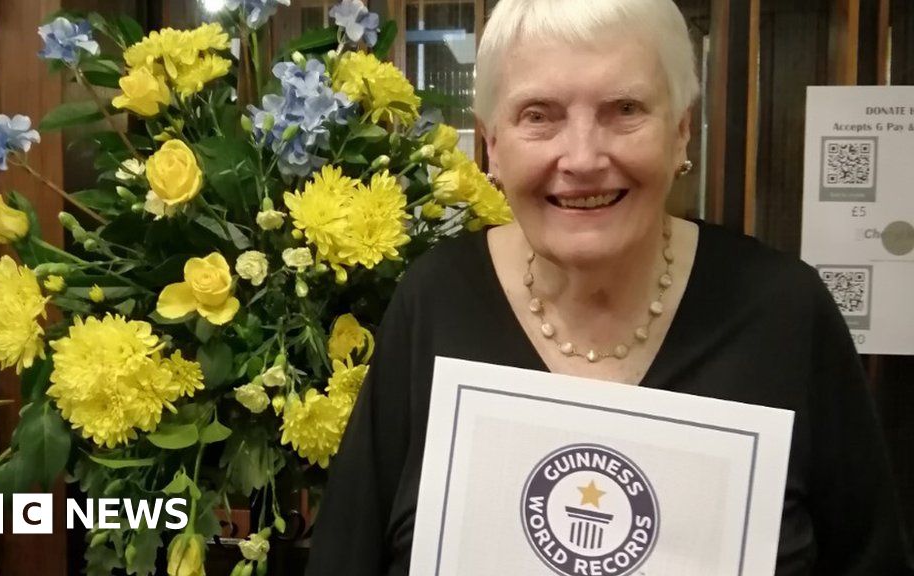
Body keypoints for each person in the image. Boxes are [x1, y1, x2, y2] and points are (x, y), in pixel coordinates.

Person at [305, 0, 914, 574]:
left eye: (625, 110)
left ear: (681, 131)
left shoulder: (786, 312)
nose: (583, 157)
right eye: (538, 115)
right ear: (492, 144)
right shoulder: (434, 300)